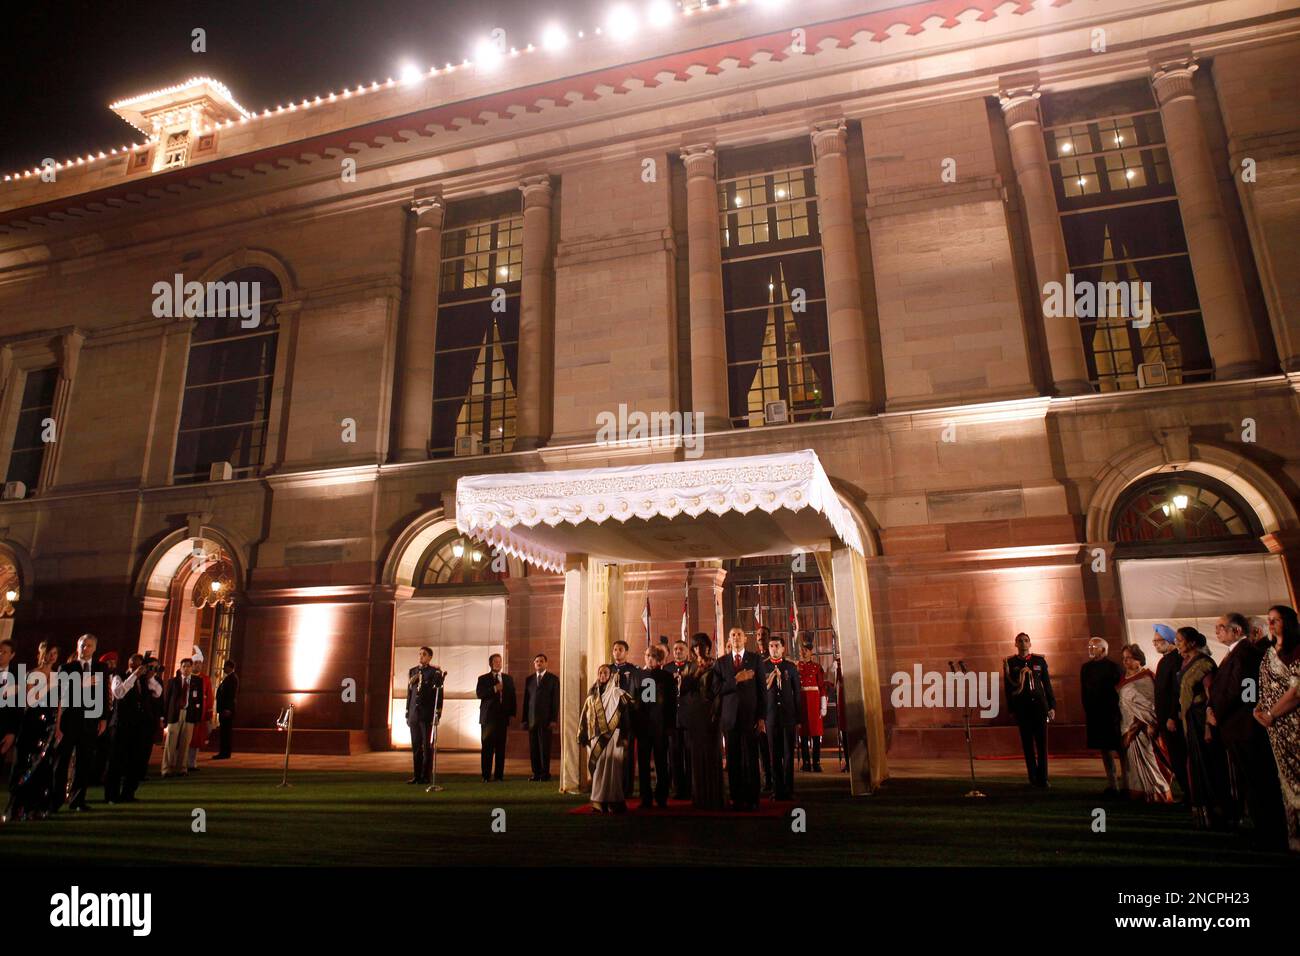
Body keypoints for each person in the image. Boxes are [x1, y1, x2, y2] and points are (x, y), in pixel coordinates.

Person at [1210, 612, 1286, 846]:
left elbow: (1243, 692)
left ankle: (1268, 829)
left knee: (1257, 780)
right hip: (1234, 725)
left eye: (1221, 627)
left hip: (1243, 726)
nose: (1217, 631)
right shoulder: (1236, 653)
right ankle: (1258, 823)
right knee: (1248, 779)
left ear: (1237, 631)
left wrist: (1217, 712)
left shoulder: (1244, 653)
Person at [1254, 604, 1300, 852]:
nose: (1270, 625)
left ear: (1288, 623)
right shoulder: (1268, 651)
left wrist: (1272, 713)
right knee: (1285, 780)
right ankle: (1294, 836)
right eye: (1268, 620)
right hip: (1274, 728)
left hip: (1293, 725)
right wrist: (1257, 706)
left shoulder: (1295, 651)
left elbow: (1297, 690)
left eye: (1276, 620)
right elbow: (1259, 685)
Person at [1176, 627, 1226, 829]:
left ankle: (1219, 813)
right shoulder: (1185, 662)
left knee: (1208, 766)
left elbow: (1211, 694)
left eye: (1180, 640)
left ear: (1192, 643)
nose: (1177, 643)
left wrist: (1207, 726)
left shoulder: (1204, 663)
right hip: (1189, 719)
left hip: (1201, 719)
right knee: (1195, 766)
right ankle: (1201, 812)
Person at [53, 633, 109, 811]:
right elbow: (62, 693)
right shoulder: (67, 667)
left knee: (85, 762)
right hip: (69, 721)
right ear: (77, 647)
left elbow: (103, 694)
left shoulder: (101, 668)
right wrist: (83, 683)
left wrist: (103, 718)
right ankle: (56, 799)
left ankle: (78, 800)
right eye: (83, 645)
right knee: (61, 762)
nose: (85, 649)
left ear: (95, 648)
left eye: (89, 645)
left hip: (90, 721)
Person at [1116, 644, 1173, 803]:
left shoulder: (1146, 678)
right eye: (1124, 658)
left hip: (1143, 727)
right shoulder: (1123, 680)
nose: (1125, 661)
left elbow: (1151, 705)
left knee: (1149, 761)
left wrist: (1146, 723)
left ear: (1138, 660)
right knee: (1134, 764)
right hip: (1127, 726)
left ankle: (1158, 794)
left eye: (1129, 658)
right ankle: (1139, 794)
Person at [104, 654, 162, 803]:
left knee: (135, 762)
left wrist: (149, 676)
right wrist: (134, 676)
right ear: (130, 664)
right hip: (121, 725)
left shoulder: (145, 681)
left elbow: (158, 692)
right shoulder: (119, 676)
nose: (139, 668)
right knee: (116, 761)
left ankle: (128, 793)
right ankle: (112, 795)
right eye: (135, 665)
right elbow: (119, 693)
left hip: (138, 727)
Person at [716, 626, 763, 811]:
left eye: (739, 635)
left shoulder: (755, 659)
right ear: (729, 639)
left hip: (750, 717)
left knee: (751, 758)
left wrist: (761, 718)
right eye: (732, 634)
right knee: (733, 760)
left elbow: (761, 691)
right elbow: (716, 689)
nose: (735, 637)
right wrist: (736, 679)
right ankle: (737, 797)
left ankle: (753, 798)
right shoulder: (721, 663)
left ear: (745, 639)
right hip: (729, 719)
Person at [577, 664, 633, 813]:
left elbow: (626, 717)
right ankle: (598, 801)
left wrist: (626, 736)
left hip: (615, 737)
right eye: (600, 672)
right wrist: (584, 736)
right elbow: (585, 717)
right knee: (599, 770)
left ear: (611, 675)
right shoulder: (591, 695)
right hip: (597, 738)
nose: (602, 675)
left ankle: (614, 801)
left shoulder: (619, 694)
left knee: (614, 770)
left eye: (605, 673)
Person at [678, 632, 724, 810]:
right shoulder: (689, 666)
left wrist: (716, 710)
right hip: (695, 715)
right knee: (697, 756)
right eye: (696, 646)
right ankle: (700, 797)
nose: (699, 649)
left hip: (711, 712)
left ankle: (714, 797)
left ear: (708, 646)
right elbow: (684, 690)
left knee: (712, 754)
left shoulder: (716, 664)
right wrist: (697, 673)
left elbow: (718, 689)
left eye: (702, 645)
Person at [1003, 632, 1055, 788]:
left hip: (1039, 707)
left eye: (1026, 640)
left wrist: (1051, 706)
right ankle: (1032, 777)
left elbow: (1047, 685)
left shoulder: (1039, 661)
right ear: (1016, 644)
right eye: (1020, 641)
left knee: (1042, 744)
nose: (1023, 643)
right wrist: (1012, 709)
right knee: (1027, 745)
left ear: (1030, 644)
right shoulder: (1010, 663)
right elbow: (1008, 687)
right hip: (1023, 709)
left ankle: (1043, 778)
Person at [1080, 637, 1124, 796]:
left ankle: (1127, 783)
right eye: (1089, 646)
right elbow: (1084, 692)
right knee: (1104, 751)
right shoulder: (1086, 668)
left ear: (1103, 650)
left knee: (1120, 750)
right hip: (1095, 715)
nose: (1090, 648)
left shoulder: (1114, 667)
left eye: (1094, 646)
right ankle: (1112, 784)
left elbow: (1121, 691)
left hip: (1112, 714)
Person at [759, 634, 801, 800]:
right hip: (770, 716)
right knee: (774, 755)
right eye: (771, 646)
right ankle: (777, 790)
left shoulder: (790, 667)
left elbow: (797, 693)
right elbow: (760, 693)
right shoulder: (763, 666)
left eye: (777, 646)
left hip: (788, 716)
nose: (774, 649)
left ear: (783, 648)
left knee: (788, 754)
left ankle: (789, 789)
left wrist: (798, 718)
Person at [1152, 623, 1188, 798]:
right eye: (1154, 641)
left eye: (1158, 641)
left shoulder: (1176, 660)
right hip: (1164, 718)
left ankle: (1191, 795)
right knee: (1174, 759)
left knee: (1180, 757)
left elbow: (1176, 691)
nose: (1156, 644)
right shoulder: (1164, 661)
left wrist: (1172, 716)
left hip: (1172, 719)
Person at [633, 645, 671, 809]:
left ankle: (662, 797)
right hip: (643, 727)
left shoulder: (666, 676)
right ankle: (645, 797)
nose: (649, 658)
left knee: (662, 763)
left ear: (659, 658)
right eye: (647, 655)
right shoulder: (638, 675)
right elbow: (634, 703)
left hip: (660, 726)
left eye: (653, 656)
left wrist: (670, 725)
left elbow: (670, 704)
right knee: (643, 764)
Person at [406, 647, 445, 785]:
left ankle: (425, 776)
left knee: (427, 747)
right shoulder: (413, 671)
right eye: (420, 654)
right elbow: (409, 694)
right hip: (414, 715)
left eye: (424, 654)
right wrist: (407, 713)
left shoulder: (435, 672)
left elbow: (439, 696)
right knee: (416, 746)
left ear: (429, 657)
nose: (421, 656)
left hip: (427, 714)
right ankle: (416, 775)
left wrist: (437, 714)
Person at [475, 654, 515, 782]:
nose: (498, 663)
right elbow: (480, 694)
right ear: (490, 663)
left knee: (501, 748)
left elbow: (512, 697)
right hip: (488, 719)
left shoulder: (508, 679)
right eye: (495, 661)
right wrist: (494, 688)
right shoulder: (483, 678)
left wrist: (511, 714)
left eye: (500, 661)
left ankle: (499, 776)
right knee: (487, 748)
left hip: (502, 718)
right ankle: (486, 776)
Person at [162, 657, 204, 778]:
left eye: (188, 666)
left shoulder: (197, 681)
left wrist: (197, 717)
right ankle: (166, 769)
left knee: (185, 742)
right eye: (184, 666)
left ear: (192, 668)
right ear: (180, 668)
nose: (186, 669)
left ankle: (182, 768)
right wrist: (164, 718)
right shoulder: (173, 682)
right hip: (174, 714)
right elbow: (167, 700)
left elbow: (199, 700)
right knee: (171, 742)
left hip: (189, 714)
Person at [522, 653, 559, 781]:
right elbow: (526, 701)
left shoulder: (553, 679)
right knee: (534, 748)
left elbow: (555, 701)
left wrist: (554, 719)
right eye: (537, 661)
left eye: (541, 661)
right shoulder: (529, 679)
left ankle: (545, 774)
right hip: (532, 720)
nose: (539, 663)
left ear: (546, 663)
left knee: (544, 748)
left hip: (546, 720)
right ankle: (536, 773)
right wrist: (524, 720)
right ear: (534, 664)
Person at [609, 640, 639, 796]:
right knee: (612, 753)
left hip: (628, 717)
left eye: (620, 649)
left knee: (626, 754)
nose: (617, 652)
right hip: (610, 718)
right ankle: (612, 786)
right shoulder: (607, 670)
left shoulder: (633, 670)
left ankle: (626, 788)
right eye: (615, 649)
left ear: (626, 652)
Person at [663, 639, 691, 800]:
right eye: (675, 649)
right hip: (673, 719)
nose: (678, 651)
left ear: (687, 652)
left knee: (689, 754)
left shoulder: (692, 667)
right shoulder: (667, 669)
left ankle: (690, 787)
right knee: (675, 755)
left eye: (681, 649)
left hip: (688, 719)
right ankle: (678, 788)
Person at [796, 642, 826, 772]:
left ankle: (817, 762)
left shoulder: (817, 667)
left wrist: (823, 705)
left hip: (814, 701)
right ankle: (806, 762)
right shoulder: (796, 667)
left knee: (815, 733)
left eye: (806, 650)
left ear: (810, 652)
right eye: (801, 650)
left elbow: (821, 687)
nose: (803, 652)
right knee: (803, 734)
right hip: (801, 701)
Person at [754, 625, 774, 794]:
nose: (761, 637)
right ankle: (767, 779)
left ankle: (777, 778)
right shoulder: (754, 660)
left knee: (774, 747)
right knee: (762, 748)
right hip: (759, 709)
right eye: (759, 635)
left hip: (772, 708)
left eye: (764, 635)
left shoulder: (772, 659)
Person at [186, 651, 214, 772]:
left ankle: (192, 763)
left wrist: (209, 710)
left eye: (200, 663)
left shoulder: (205, 678)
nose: (198, 665)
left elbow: (210, 695)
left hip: (200, 712)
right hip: (188, 711)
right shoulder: (186, 677)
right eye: (196, 663)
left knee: (197, 739)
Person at [213, 659, 238, 760]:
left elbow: (231, 695)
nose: (223, 668)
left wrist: (228, 708)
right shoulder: (229, 678)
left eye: (225, 666)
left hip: (227, 710)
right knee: (224, 732)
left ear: (230, 667)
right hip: (224, 709)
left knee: (225, 732)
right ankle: (224, 752)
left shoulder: (232, 678)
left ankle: (224, 752)